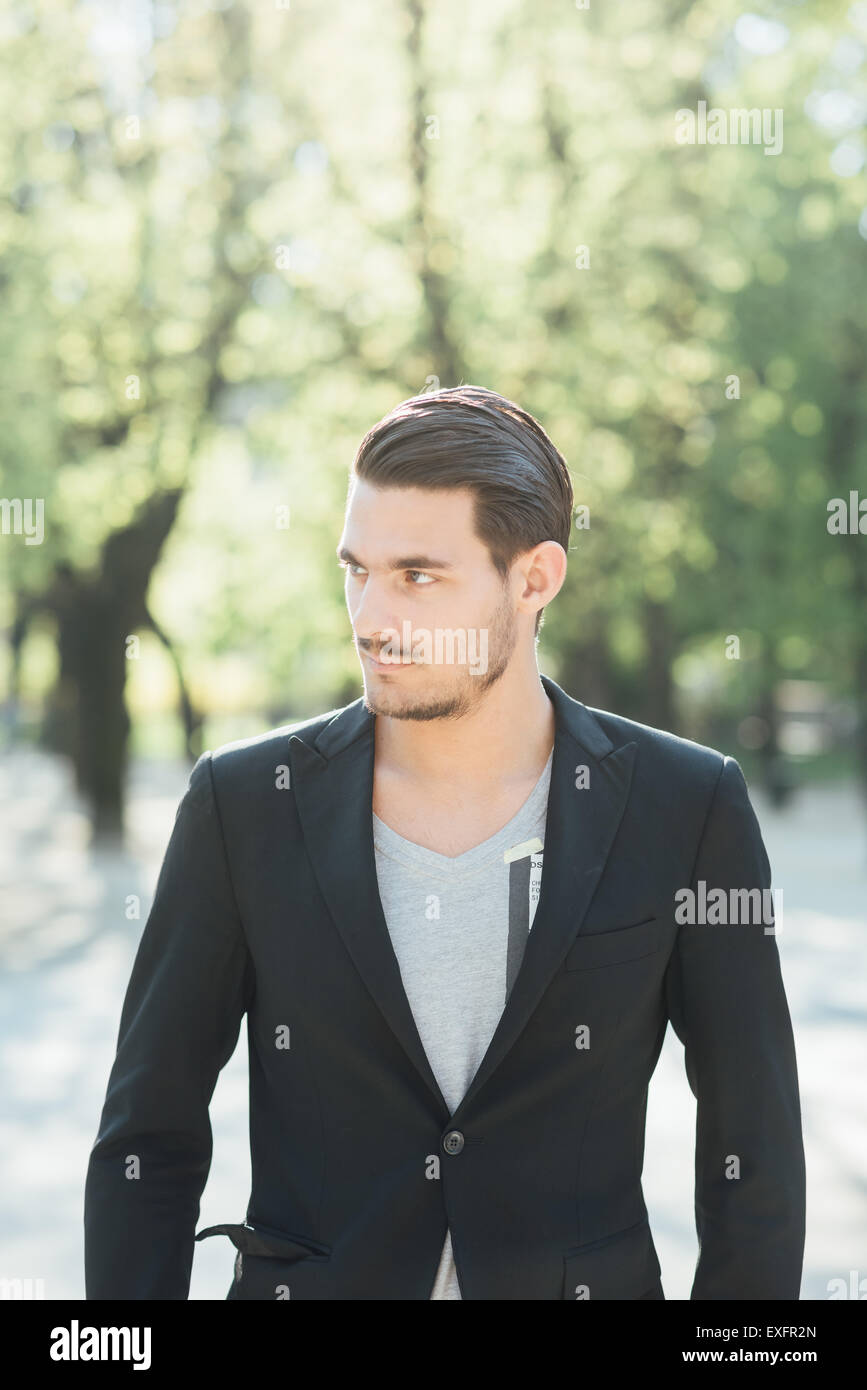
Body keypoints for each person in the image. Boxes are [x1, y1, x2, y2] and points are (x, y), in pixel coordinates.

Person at [84, 385, 806, 1299]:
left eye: (416, 576)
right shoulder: (244, 805)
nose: (371, 617)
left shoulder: (684, 805)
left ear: (534, 578)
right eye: (357, 570)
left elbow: (756, 1151)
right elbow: (148, 1134)